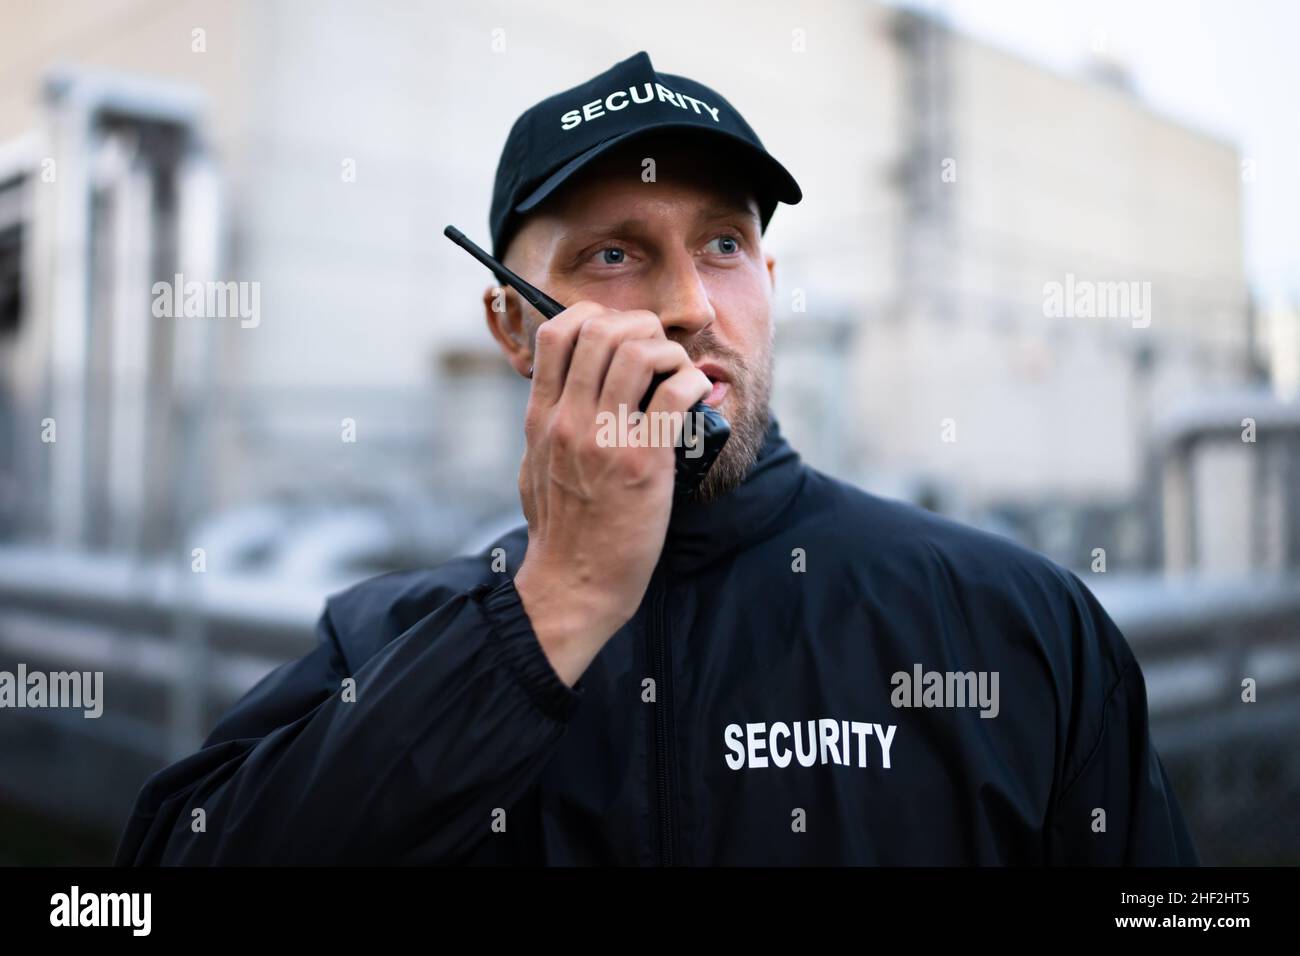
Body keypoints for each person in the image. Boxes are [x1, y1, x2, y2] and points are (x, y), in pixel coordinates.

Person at [115, 51, 1198, 866]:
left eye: (723, 245)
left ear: (768, 278)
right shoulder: (385, 639)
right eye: (615, 254)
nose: (689, 307)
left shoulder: (1012, 616)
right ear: (510, 324)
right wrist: (552, 607)